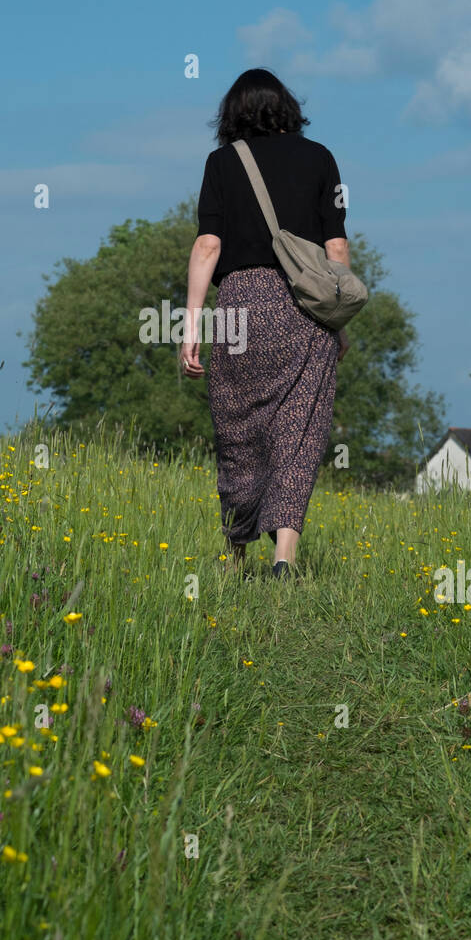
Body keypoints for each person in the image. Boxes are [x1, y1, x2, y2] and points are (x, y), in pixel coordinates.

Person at [180, 68, 351, 578]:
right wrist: (337, 320)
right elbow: (336, 247)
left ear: (232, 114)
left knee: (237, 428)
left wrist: (192, 326)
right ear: (288, 109)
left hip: (240, 305)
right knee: (300, 430)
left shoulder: (221, 163)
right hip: (307, 307)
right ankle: (284, 556)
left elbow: (208, 245)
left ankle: (234, 556)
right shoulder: (321, 158)